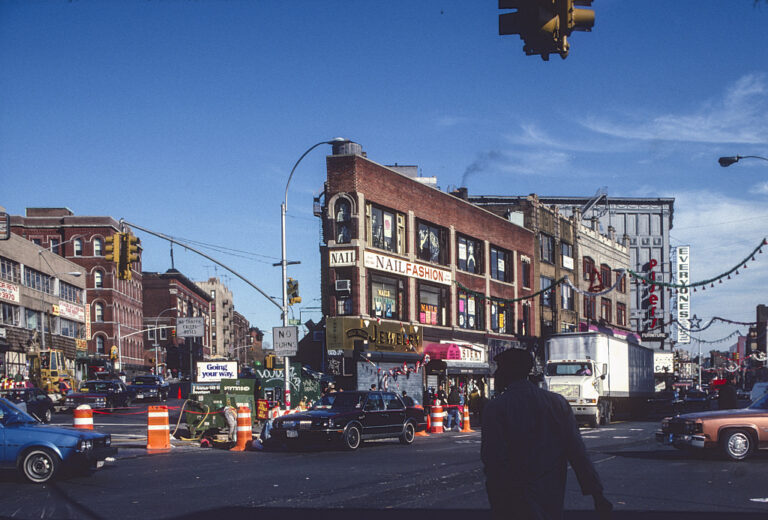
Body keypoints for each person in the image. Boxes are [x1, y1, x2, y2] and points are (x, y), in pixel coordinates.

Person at [481, 348, 612, 520]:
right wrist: (597, 494)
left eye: (499, 368)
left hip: (510, 498)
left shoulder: (497, 407)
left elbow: (492, 457)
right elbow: (577, 452)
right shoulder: (556, 403)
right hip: (549, 496)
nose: (496, 373)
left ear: (509, 370)